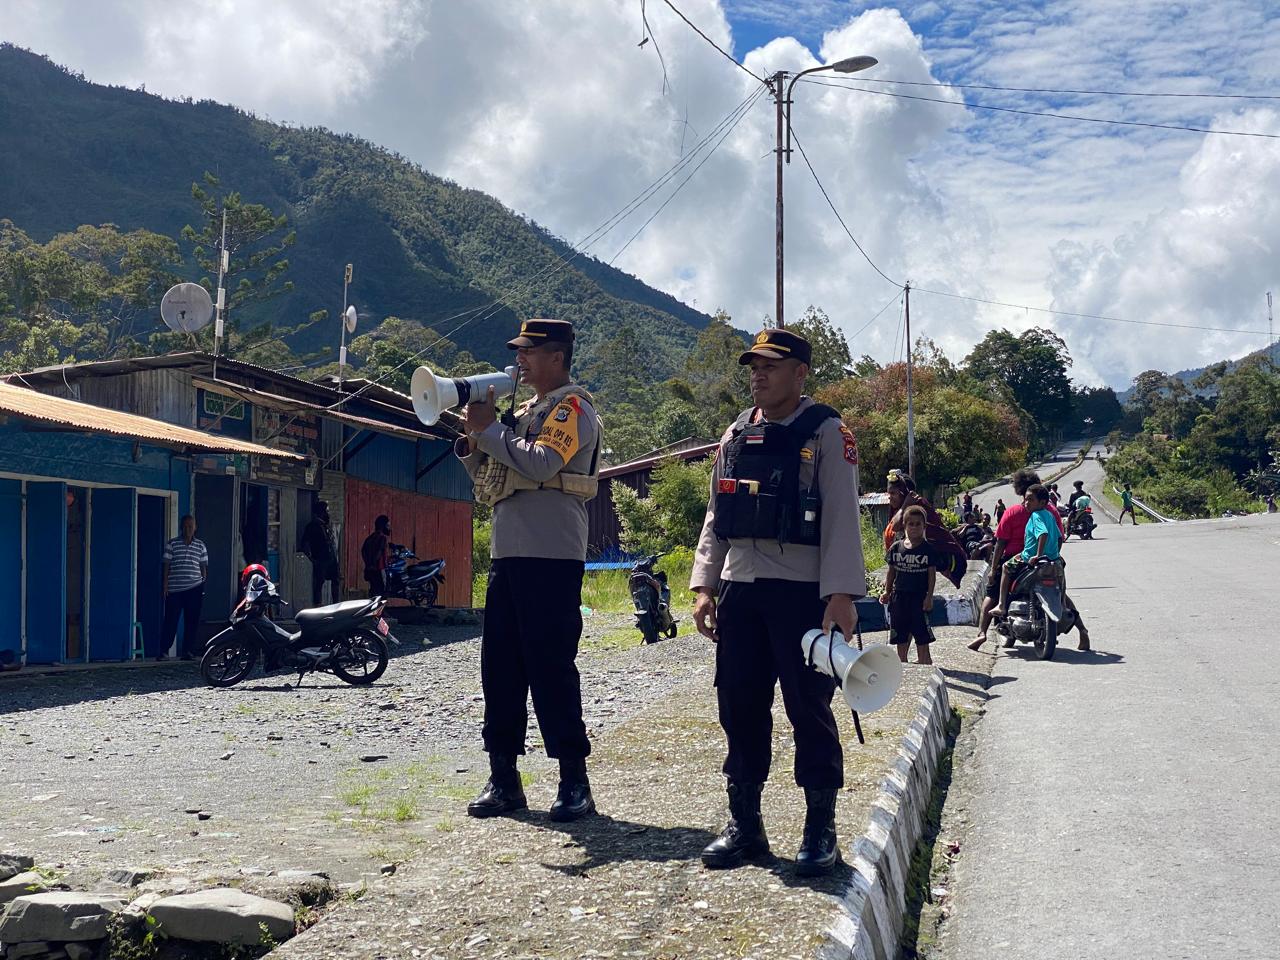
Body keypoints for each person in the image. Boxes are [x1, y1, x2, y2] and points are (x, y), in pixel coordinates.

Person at [690, 327, 864, 876]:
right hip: (741, 588)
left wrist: (840, 595)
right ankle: (745, 824)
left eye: (771, 365)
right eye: (753, 367)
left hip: (801, 594)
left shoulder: (829, 431)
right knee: (738, 705)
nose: (758, 375)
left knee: (808, 707)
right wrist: (703, 585)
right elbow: (717, 515)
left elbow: (842, 517)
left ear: (799, 373)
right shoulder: (736, 433)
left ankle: (821, 828)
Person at [456, 318, 603, 823]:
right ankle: (504, 778)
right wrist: (473, 443)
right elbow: (491, 477)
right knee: (499, 666)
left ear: (557, 357)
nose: (520, 360)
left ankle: (573, 780)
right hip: (509, 551)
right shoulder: (523, 412)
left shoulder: (573, 409)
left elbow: (541, 465)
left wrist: (491, 431)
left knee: (550, 666)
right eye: (519, 352)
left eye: (530, 352)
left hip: (552, 553)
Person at [970, 469, 1091, 652]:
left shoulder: (1013, 512)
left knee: (992, 593)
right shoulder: (1051, 511)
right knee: (1060, 594)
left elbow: (1000, 542)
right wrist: (1051, 555)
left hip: (1020, 560)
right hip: (1050, 559)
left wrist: (994, 570)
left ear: (1020, 491)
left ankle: (982, 633)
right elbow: (1059, 537)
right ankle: (1082, 630)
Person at [990, 484, 1060, 620]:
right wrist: (1054, 555)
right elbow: (1059, 538)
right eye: (1026, 499)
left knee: (1006, 567)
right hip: (1052, 559)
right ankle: (1062, 604)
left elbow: (1043, 534)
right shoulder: (1050, 515)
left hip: (1028, 557)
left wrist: (1038, 555)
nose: (1026, 503)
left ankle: (1001, 604)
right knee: (1060, 583)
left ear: (1042, 502)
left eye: (1031, 500)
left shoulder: (1035, 516)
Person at [880, 505, 936, 666]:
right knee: (900, 632)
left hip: (918, 598)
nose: (914, 527)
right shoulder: (896, 548)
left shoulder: (928, 550)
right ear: (904, 526)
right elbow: (891, 572)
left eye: (918, 524)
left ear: (924, 527)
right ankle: (902, 663)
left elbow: (931, 575)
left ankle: (924, 663)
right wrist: (887, 592)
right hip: (899, 597)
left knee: (921, 633)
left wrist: (929, 597)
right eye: (910, 524)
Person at [161, 515, 208, 660]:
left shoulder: (200, 545)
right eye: (186, 526)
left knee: (192, 621)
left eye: (191, 526)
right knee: (171, 620)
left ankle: (187, 651)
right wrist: (165, 585)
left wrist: (202, 582)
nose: (188, 529)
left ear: (195, 528)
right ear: (182, 527)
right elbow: (166, 565)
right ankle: (163, 651)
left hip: (194, 588)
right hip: (175, 589)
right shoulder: (172, 544)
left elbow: (203, 567)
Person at [302, 500, 340, 606]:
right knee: (319, 583)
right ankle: (318, 605)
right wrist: (312, 559)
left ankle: (336, 604)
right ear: (321, 512)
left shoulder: (325, 526)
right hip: (321, 559)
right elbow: (305, 544)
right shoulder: (312, 526)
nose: (328, 514)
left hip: (330, 558)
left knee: (336, 580)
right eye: (326, 511)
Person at [361, 515, 391, 599]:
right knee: (382, 593)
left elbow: (363, 551)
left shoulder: (369, 538)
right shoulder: (382, 538)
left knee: (374, 591)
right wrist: (373, 563)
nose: (389, 528)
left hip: (370, 570)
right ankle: (380, 611)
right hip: (379, 569)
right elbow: (378, 553)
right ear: (383, 526)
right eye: (387, 526)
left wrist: (368, 564)